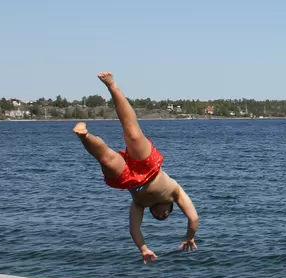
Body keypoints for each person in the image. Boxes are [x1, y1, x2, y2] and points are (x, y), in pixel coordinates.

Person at [73, 72, 198, 263]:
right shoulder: (175, 192)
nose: (162, 215)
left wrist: (143, 248)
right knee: (133, 133)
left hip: (128, 178)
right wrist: (189, 237)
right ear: (170, 206)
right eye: (167, 214)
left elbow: (134, 229)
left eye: (158, 218)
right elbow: (193, 219)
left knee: (105, 159)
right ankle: (112, 86)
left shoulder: (140, 204)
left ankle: (84, 135)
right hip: (149, 167)